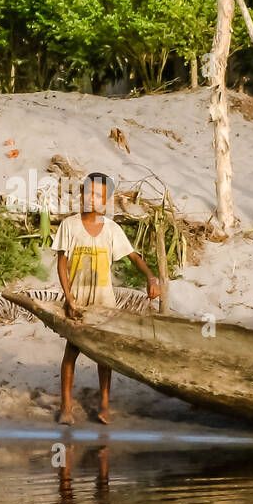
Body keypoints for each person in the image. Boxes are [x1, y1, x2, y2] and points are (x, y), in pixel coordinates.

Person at [52, 173, 160, 425]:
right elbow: (62, 262)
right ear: (82, 195)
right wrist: (68, 297)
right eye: (88, 192)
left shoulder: (112, 229)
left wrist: (151, 278)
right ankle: (66, 407)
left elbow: (133, 256)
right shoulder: (70, 225)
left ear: (107, 199)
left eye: (99, 195)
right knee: (72, 351)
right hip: (78, 300)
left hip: (104, 301)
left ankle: (103, 405)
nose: (92, 198)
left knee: (103, 354)